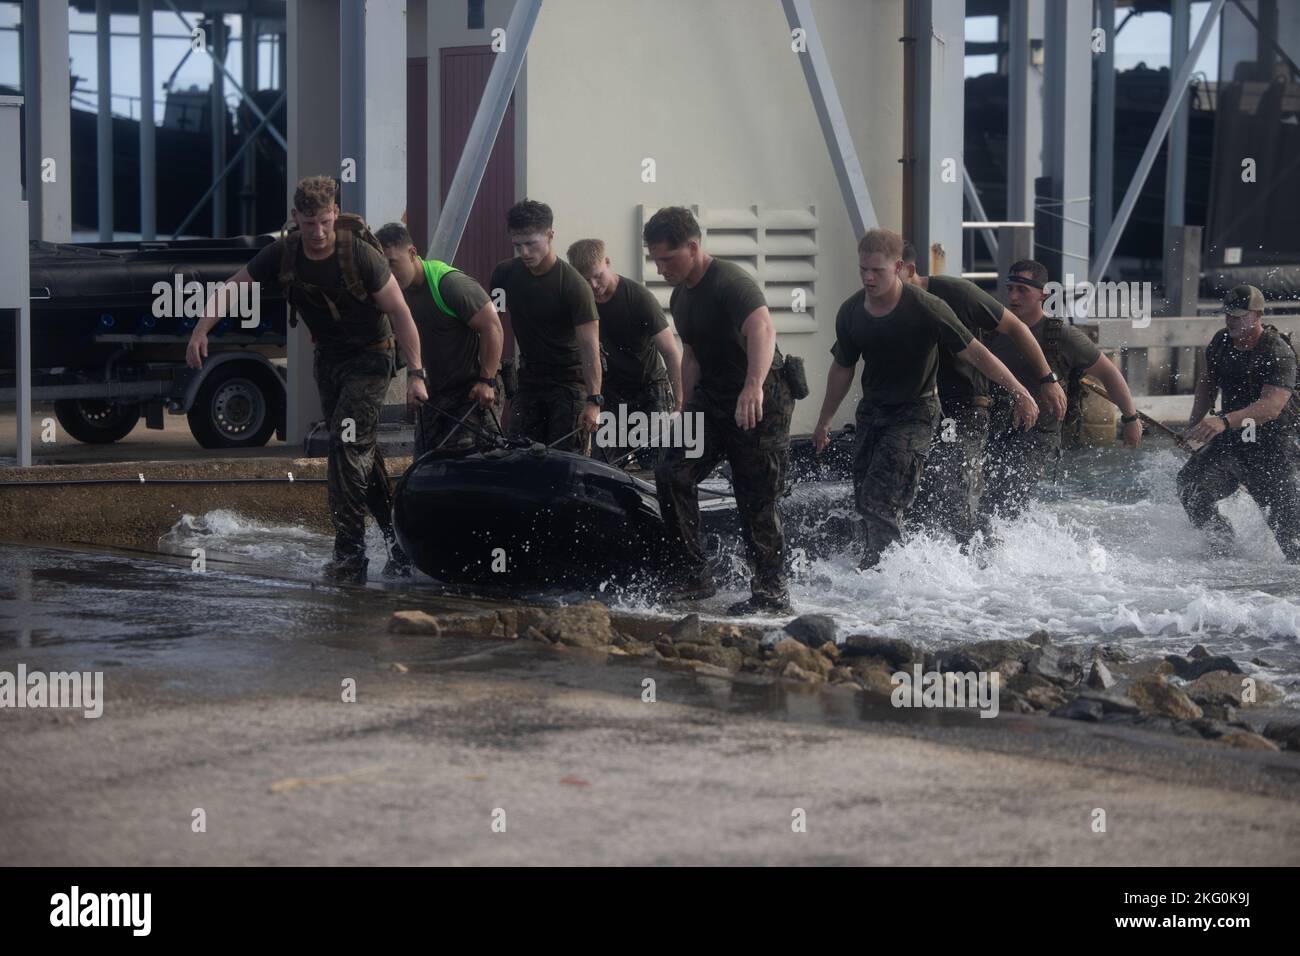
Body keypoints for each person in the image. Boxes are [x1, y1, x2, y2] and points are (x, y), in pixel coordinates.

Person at [186, 175, 428, 583]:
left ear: (335, 214)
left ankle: (350, 557)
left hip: (371, 358)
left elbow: (402, 314)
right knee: (363, 457)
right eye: (309, 223)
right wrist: (200, 330)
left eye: (325, 223)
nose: (318, 233)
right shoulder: (284, 253)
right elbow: (233, 287)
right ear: (297, 217)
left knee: (346, 445)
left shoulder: (361, 256)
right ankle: (395, 541)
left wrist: (417, 374)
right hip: (329, 360)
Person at [812, 228, 1039, 569]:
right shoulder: (851, 312)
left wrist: (1020, 391)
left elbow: (975, 352)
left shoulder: (927, 308)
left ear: (899, 266)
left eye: (878, 271)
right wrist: (824, 420)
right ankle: (900, 560)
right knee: (864, 495)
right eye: (863, 270)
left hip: (916, 411)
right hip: (873, 411)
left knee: (882, 496)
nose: (869, 278)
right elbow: (842, 368)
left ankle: (882, 569)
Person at [646, 206, 795, 615]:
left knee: (754, 495)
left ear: (693, 247)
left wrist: (753, 386)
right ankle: (695, 575)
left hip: (759, 395)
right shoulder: (681, 296)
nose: (660, 269)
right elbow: (690, 354)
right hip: (712, 398)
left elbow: (762, 328)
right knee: (671, 471)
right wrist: (684, 409)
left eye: (667, 258)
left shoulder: (730, 280)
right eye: (655, 259)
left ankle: (771, 593)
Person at [899, 242, 1067, 544]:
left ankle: (980, 557)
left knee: (950, 485)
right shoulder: (883, 303)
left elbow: (1013, 331)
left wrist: (1044, 379)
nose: (872, 281)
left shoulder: (955, 294)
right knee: (917, 488)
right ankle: (921, 557)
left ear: (907, 270)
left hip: (964, 405)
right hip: (921, 406)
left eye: (881, 273)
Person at [979, 260, 1141, 535]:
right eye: (1010, 289)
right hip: (996, 428)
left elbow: (1110, 374)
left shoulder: (1062, 336)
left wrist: (1130, 418)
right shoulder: (994, 331)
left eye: (1023, 290)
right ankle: (1005, 550)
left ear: (1043, 294)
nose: (1014, 296)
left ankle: (1004, 558)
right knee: (984, 501)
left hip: (1039, 435)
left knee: (1006, 500)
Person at [1178, 284, 1300, 560]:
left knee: (1293, 543)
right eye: (1228, 314)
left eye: (1239, 315)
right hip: (1232, 444)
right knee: (1190, 486)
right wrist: (1195, 426)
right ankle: (1224, 549)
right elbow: (1207, 384)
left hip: (1272, 451)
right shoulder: (1221, 342)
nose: (1231, 320)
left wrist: (1222, 420)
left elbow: (1272, 406)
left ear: (1257, 315)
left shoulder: (1277, 350)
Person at [376, 222, 504, 456]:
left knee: (471, 463)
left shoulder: (448, 283)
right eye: (382, 266)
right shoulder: (392, 292)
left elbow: (493, 327)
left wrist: (488, 381)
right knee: (424, 465)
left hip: (472, 391)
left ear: (412, 253)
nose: (389, 273)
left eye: (392, 263)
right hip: (435, 394)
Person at [488, 200, 602, 452]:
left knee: (564, 462)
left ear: (550, 235)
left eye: (531, 243)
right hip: (530, 378)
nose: (525, 252)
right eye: (518, 245)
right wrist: (488, 376)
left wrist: (594, 401)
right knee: (516, 453)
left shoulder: (574, 286)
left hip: (570, 381)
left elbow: (589, 348)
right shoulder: (503, 275)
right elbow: (491, 326)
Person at [566, 238, 683, 466]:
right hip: (611, 392)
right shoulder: (580, 302)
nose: (593, 285)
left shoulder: (638, 298)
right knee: (603, 468)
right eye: (585, 279)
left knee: (658, 466)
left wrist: (680, 405)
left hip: (649, 389)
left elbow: (670, 351)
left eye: (597, 276)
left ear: (607, 262)